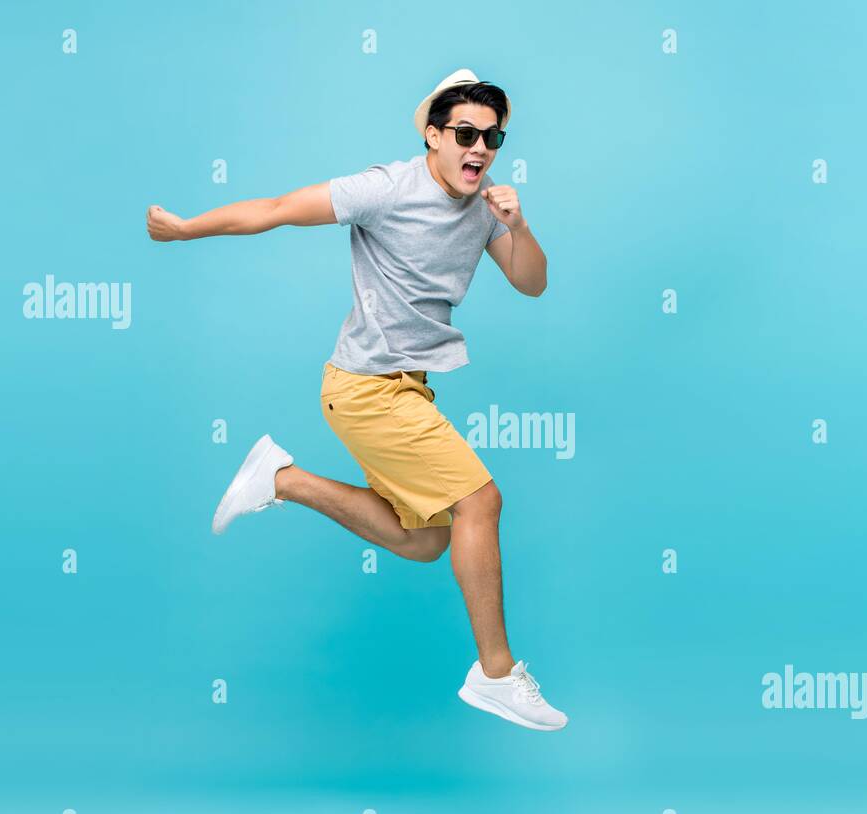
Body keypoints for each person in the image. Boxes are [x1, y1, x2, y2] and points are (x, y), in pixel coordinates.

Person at [145, 69, 567, 731]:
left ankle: (282, 479)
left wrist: (520, 223)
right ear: (433, 133)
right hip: (367, 390)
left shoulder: (486, 205)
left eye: (491, 137)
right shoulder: (388, 189)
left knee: (426, 539)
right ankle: (495, 673)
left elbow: (532, 281)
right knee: (480, 501)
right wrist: (187, 229)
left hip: (410, 393)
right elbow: (279, 208)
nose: (478, 148)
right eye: (464, 133)